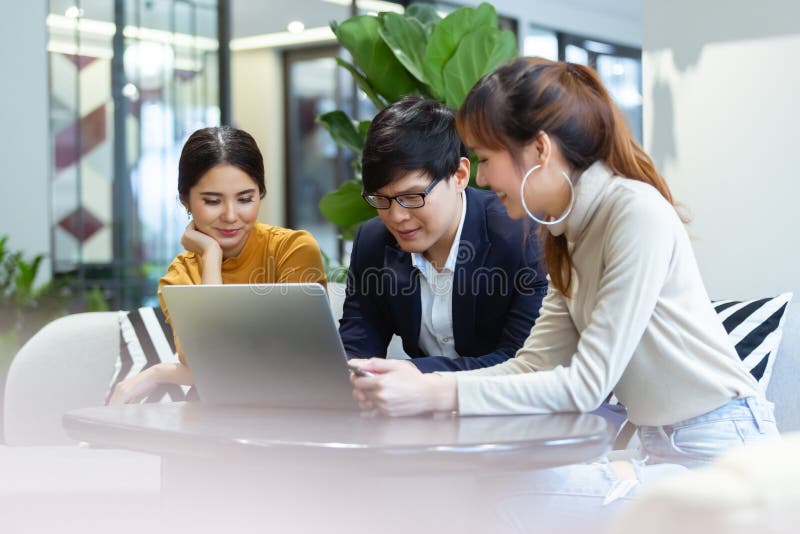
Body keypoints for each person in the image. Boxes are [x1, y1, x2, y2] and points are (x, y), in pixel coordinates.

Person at [349, 58, 779, 531]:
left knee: (510, 497)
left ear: (538, 150)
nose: (485, 180)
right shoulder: (567, 231)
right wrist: (425, 390)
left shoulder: (634, 212)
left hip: (722, 450)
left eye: (489, 160)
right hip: (656, 446)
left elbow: (586, 384)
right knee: (495, 490)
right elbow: (533, 364)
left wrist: (434, 390)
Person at [109, 126, 326, 404]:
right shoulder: (180, 276)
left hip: (293, 408)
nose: (231, 216)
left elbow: (299, 360)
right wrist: (210, 255)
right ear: (185, 201)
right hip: (217, 411)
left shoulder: (291, 250)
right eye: (212, 201)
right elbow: (210, 365)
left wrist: (160, 373)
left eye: (245, 199)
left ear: (260, 194)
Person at [339, 96, 548, 372]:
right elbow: (357, 343)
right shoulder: (373, 242)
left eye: (411, 196)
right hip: (413, 411)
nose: (396, 216)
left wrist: (416, 375)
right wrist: (353, 372)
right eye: (381, 199)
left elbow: (522, 361)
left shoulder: (522, 235)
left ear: (459, 175)